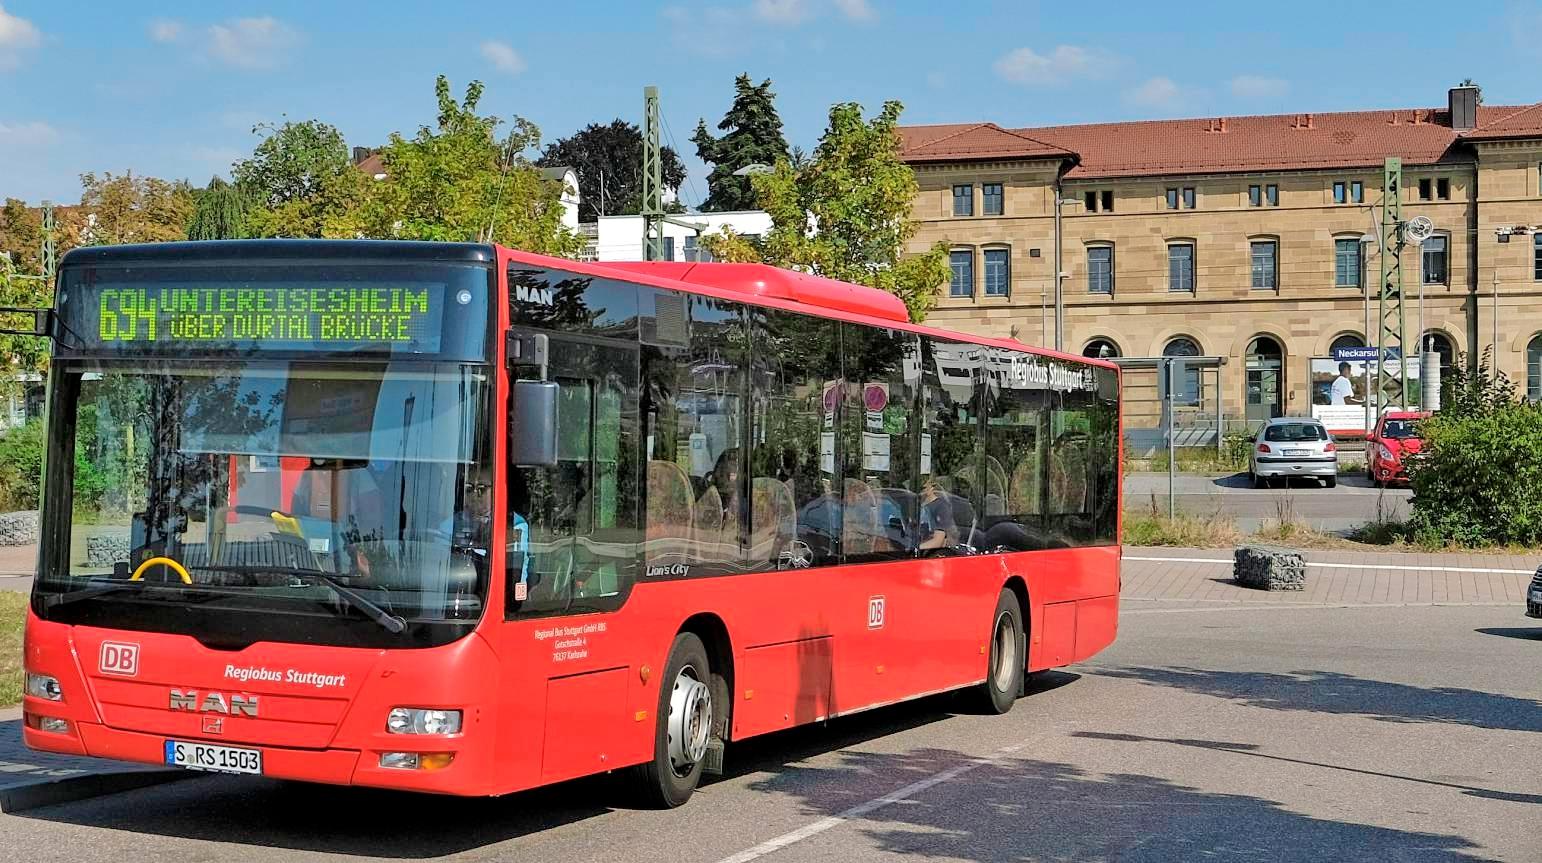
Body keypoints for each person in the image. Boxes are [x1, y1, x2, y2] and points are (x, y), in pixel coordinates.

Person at [917, 478, 957, 551]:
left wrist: (914, 549)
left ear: (932, 487)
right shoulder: (918, 505)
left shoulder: (941, 507)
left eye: (923, 488)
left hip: (931, 553)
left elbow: (937, 541)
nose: (920, 491)